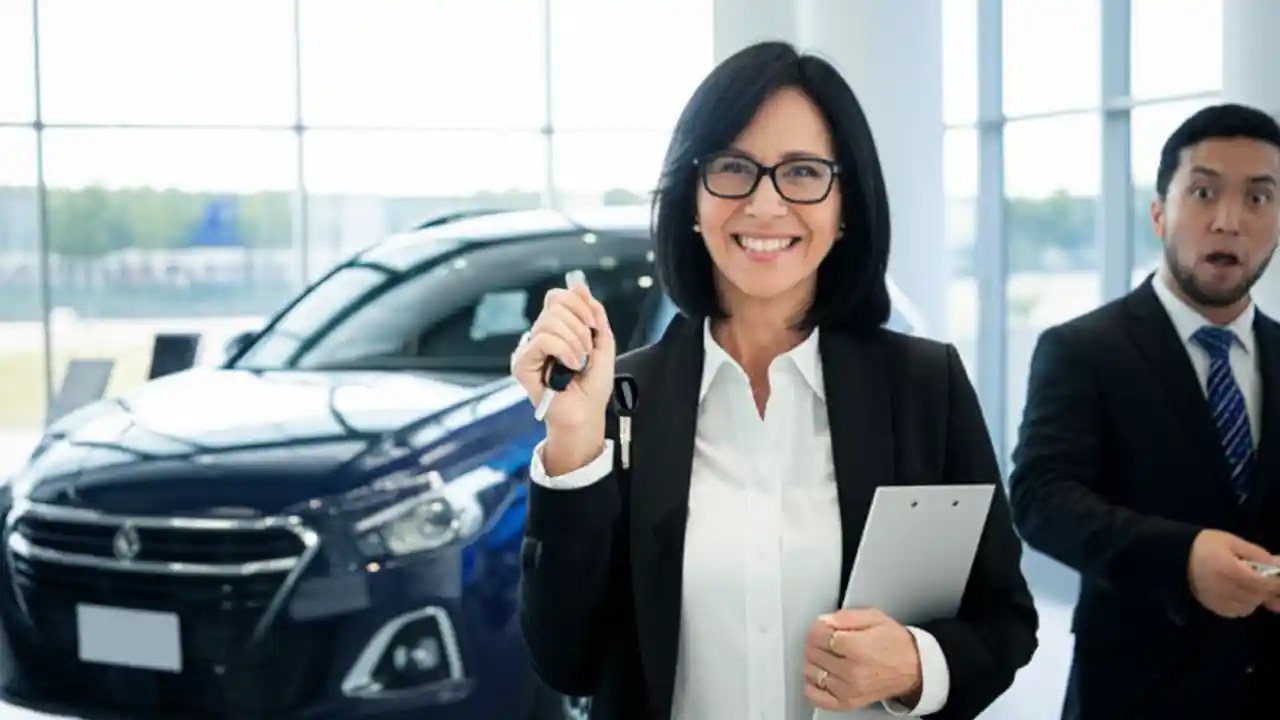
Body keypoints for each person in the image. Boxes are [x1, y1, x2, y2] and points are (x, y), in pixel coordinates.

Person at [511, 41, 1038, 720]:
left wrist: (916, 664)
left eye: (802, 172)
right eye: (733, 168)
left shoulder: (921, 388)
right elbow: (566, 660)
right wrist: (574, 442)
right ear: (692, 198)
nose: (765, 204)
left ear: (844, 202)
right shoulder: (619, 398)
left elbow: (1004, 622)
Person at [1009, 102, 1280, 719]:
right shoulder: (1082, 349)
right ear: (1160, 213)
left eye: (1258, 199)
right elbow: (1041, 499)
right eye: (1204, 192)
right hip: (1136, 694)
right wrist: (1182, 558)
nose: (1229, 221)